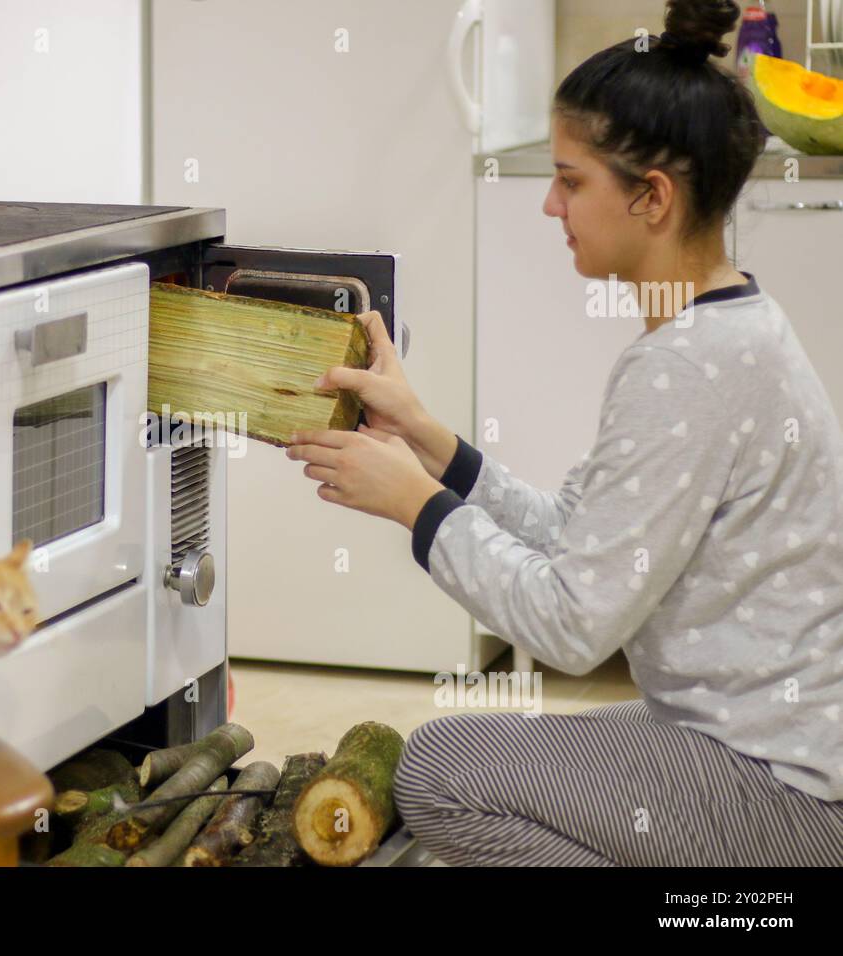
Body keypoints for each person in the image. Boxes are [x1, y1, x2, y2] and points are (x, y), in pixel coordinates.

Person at [285, 0, 843, 865]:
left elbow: (573, 628)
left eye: (572, 180)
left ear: (651, 197)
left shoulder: (687, 368)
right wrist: (431, 443)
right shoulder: (719, 332)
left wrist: (418, 509)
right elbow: (581, 544)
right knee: (508, 756)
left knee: (438, 769)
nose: (550, 204)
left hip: (780, 794)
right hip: (775, 757)